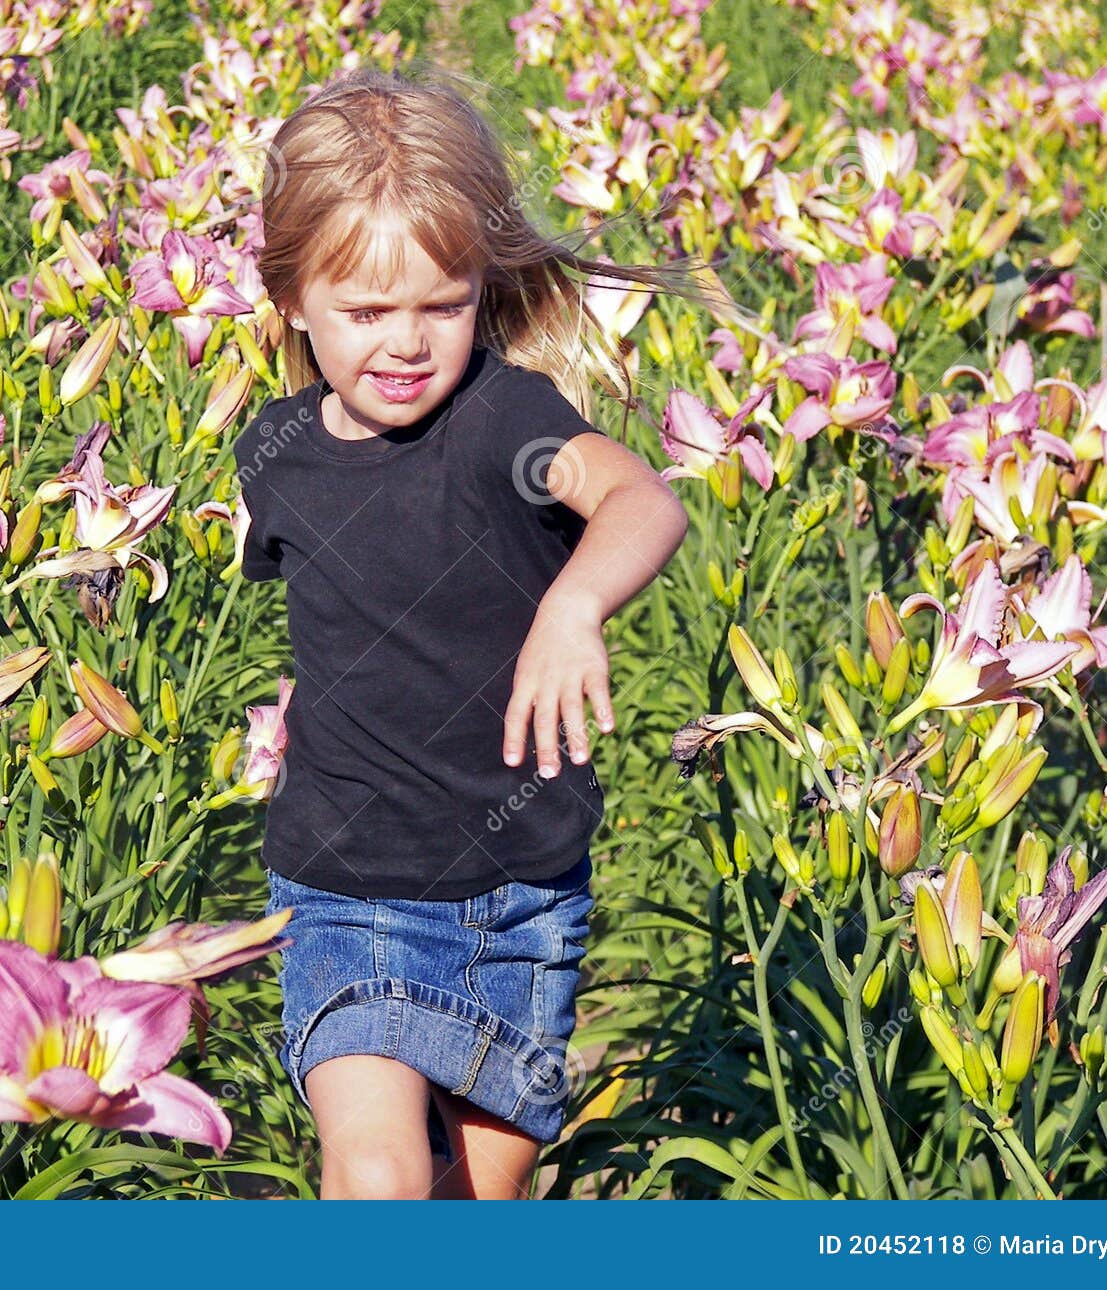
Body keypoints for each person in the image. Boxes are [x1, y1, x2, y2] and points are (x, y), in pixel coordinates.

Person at [230, 65, 730, 1199]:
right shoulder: (276, 455)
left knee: (478, 1206)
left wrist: (572, 603)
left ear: (480, 293)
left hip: (520, 893)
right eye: (365, 313)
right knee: (378, 1175)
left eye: (442, 306)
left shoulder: (505, 418)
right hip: (345, 884)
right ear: (291, 299)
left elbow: (643, 501)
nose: (406, 344)